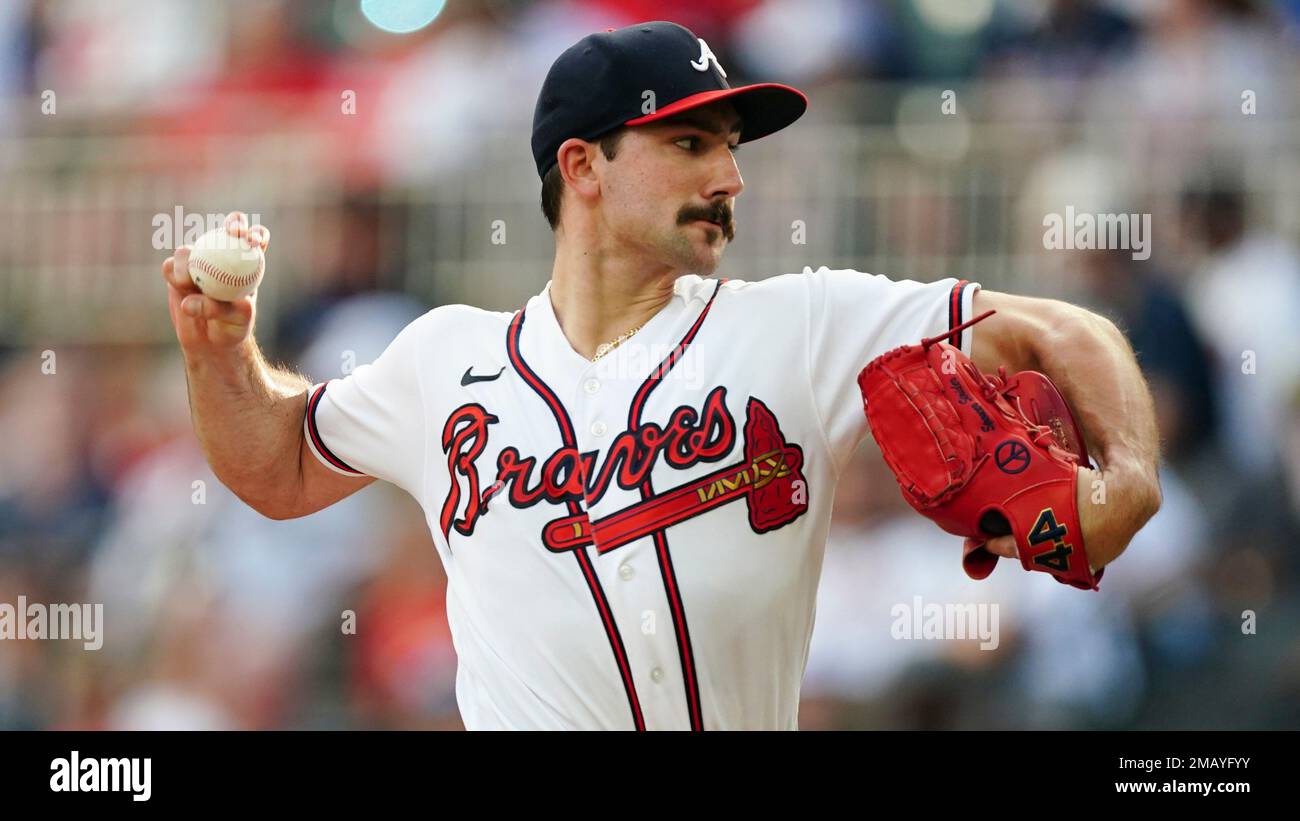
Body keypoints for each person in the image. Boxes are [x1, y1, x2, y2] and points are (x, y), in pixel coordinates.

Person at [160, 21, 1161, 730]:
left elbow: (1055, 329)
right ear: (583, 167)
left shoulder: (801, 324)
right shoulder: (443, 360)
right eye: (688, 143)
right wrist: (219, 353)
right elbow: (277, 464)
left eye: (728, 147)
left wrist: (1126, 480)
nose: (728, 176)